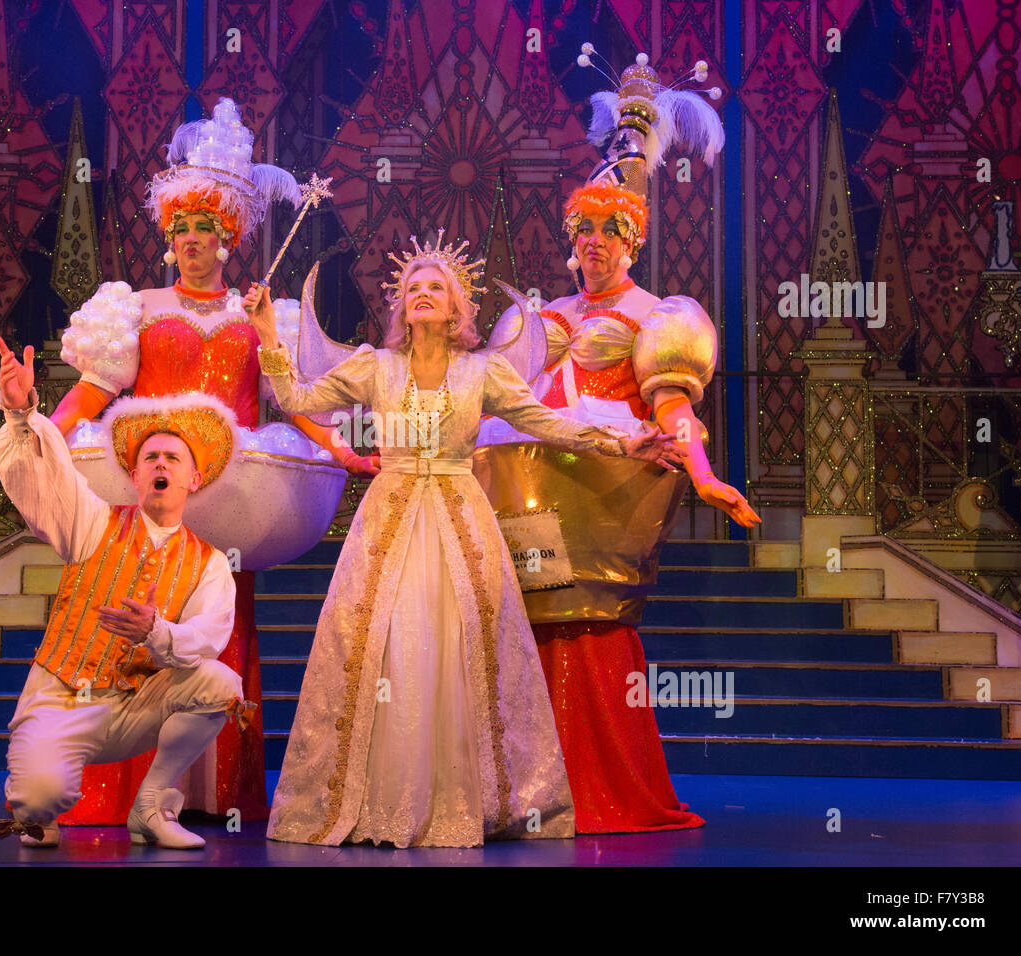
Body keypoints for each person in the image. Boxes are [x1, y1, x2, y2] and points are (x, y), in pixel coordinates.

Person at [244, 234, 684, 847]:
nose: (422, 295)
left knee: (457, 646)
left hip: (459, 516)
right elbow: (295, 398)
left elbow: (547, 423)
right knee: (385, 646)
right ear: (400, 305)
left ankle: (458, 799)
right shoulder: (375, 365)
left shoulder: (485, 371)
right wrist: (267, 330)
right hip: (389, 519)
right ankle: (377, 798)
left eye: (436, 288)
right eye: (412, 288)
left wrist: (620, 443)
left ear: (457, 310)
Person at [48, 98, 376, 825]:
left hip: (229, 505)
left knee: (215, 635)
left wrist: (341, 450)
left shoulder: (259, 313)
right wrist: (39, 432)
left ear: (227, 236)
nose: (193, 239)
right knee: (139, 635)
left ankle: (212, 791)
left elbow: (293, 403)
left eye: (206, 228)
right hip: (154, 495)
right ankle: (126, 791)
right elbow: (92, 393)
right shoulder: (138, 306)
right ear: (168, 235)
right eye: (181, 228)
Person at [523, 51, 760, 833]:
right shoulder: (542, 315)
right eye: (583, 228)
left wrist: (703, 472)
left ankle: (599, 788)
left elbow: (672, 409)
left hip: (603, 500)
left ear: (632, 240)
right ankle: (526, 792)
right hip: (530, 488)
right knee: (527, 634)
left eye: (608, 230)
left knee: (589, 631)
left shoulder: (660, 316)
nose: (593, 241)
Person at [0, 335, 247, 849]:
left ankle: (150, 805)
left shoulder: (210, 563)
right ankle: (37, 791)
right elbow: (48, 479)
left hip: (134, 705)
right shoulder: (93, 521)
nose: (161, 466)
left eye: (174, 459)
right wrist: (21, 415)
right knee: (38, 804)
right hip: (63, 696)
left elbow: (207, 639)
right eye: (151, 458)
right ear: (134, 475)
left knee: (220, 684)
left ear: (194, 479)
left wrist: (157, 631)